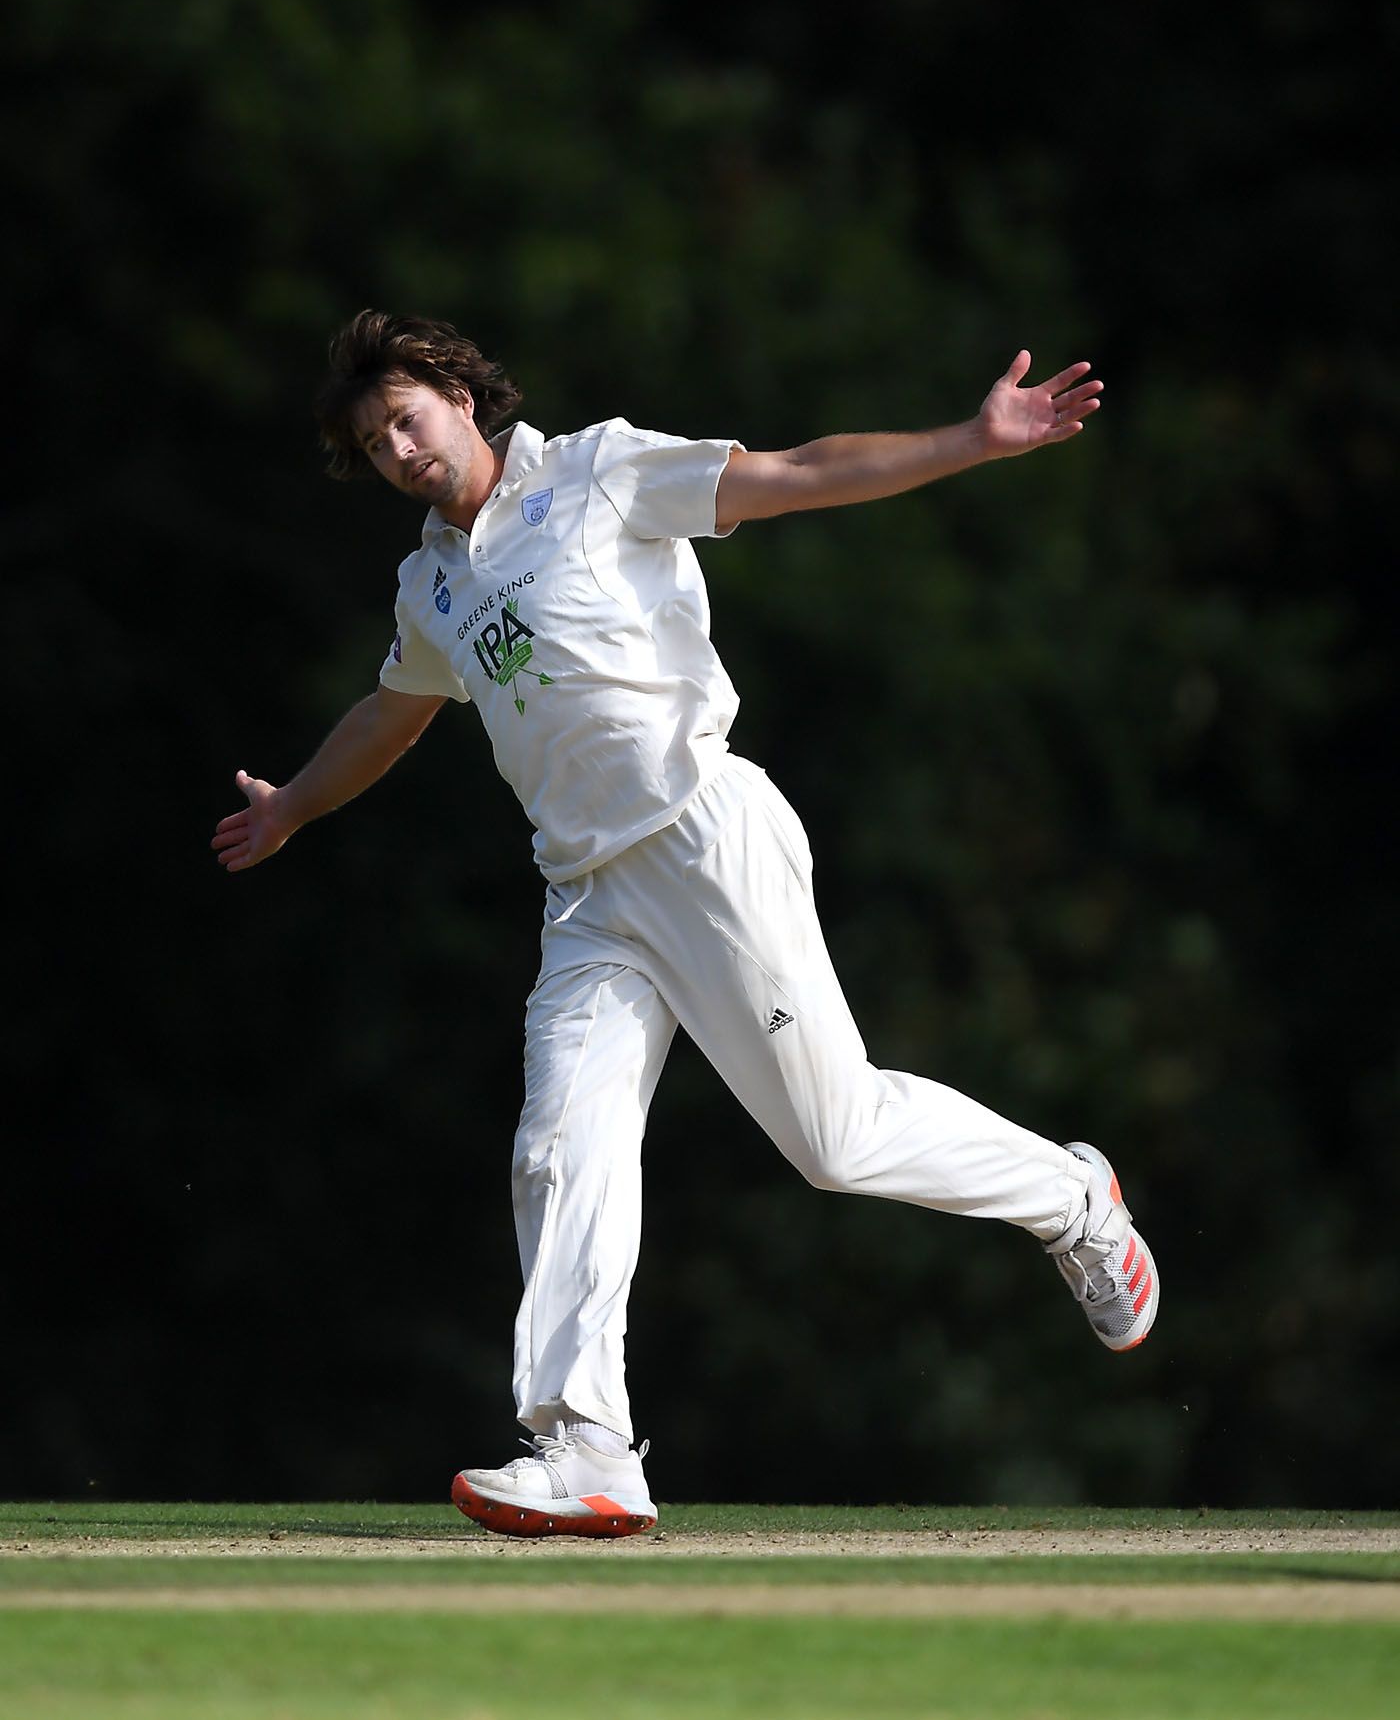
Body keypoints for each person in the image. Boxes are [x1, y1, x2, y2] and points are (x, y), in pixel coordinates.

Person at [212, 311, 1158, 1539]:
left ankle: (1072, 1202)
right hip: (588, 899)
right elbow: (390, 714)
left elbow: (794, 473)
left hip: (704, 841)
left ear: (458, 393)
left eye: (408, 416)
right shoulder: (429, 583)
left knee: (837, 1138)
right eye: (374, 440)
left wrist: (967, 442)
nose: (398, 449)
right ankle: (585, 1446)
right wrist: (291, 804)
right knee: (561, 1144)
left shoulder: (596, 470)